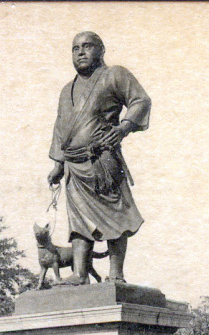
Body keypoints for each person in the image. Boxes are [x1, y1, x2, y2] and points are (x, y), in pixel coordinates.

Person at [47, 31, 151, 285]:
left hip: (102, 160)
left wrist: (123, 128)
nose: (81, 52)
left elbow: (140, 100)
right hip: (74, 164)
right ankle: (80, 273)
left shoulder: (114, 75)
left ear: (101, 50)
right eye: (75, 48)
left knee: (115, 214)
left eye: (87, 46)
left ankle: (116, 273)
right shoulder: (66, 90)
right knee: (78, 218)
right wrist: (58, 163)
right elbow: (61, 127)